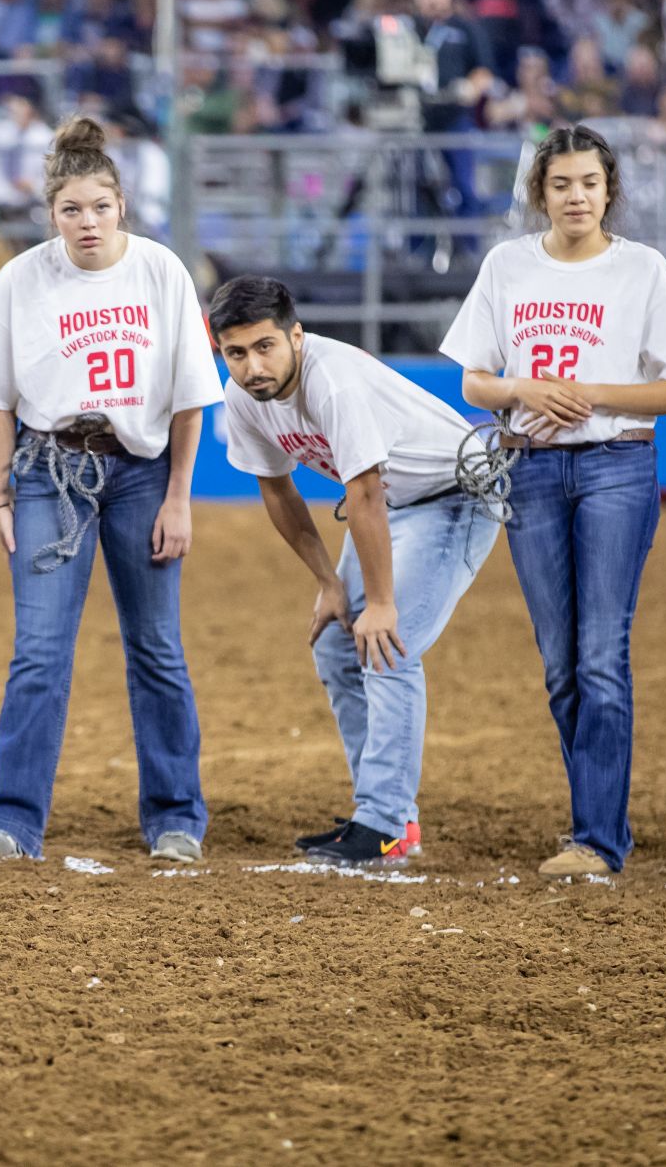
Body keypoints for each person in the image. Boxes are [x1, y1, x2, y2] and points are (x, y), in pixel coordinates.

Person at [441, 124, 666, 877]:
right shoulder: (506, 266)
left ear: (609, 189)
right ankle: (596, 820)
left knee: (598, 656)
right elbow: (475, 381)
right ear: (540, 193)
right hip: (529, 468)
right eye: (560, 184)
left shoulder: (642, 270)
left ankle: (596, 837)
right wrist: (524, 388)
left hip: (616, 467)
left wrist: (588, 393)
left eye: (589, 183)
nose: (576, 197)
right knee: (561, 667)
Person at [0, 116, 225, 865]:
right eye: (71, 209)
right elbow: (0, 404)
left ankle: (176, 816)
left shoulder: (162, 272)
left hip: (141, 474)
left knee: (158, 648)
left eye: (100, 207)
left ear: (122, 207)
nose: (86, 222)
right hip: (48, 472)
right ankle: (13, 820)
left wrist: (180, 495)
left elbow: (188, 399)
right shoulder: (18, 280)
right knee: (38, 652)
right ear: (51, 213)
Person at [211, 275, 503, 868]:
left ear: (296, 335)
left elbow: (363, 492)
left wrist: (383, 603)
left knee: (385, 644)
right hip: (393, 506)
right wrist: (328, 583)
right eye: (236, 353)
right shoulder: (242, 397)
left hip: (456, 495)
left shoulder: (333, 382)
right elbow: (277, 489)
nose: (252, 366)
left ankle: (384, 823)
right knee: (338, 650)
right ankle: (391, 816)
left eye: (265, 346)